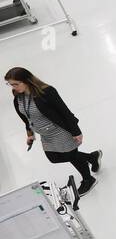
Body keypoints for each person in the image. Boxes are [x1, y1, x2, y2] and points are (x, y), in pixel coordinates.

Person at [6, 67, 102, 197]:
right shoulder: (18, 97)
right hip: (46, 135)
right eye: (10, 84)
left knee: (71, 155)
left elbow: (64, 111)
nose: (13, 87)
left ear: (27, 80)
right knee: (54, 158)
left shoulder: (46, 92)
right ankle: (91, 157)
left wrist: (76, 132)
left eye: (16, 84)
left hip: (60, 130)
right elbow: (26, 117)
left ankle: (88, 179)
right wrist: (30, 134)